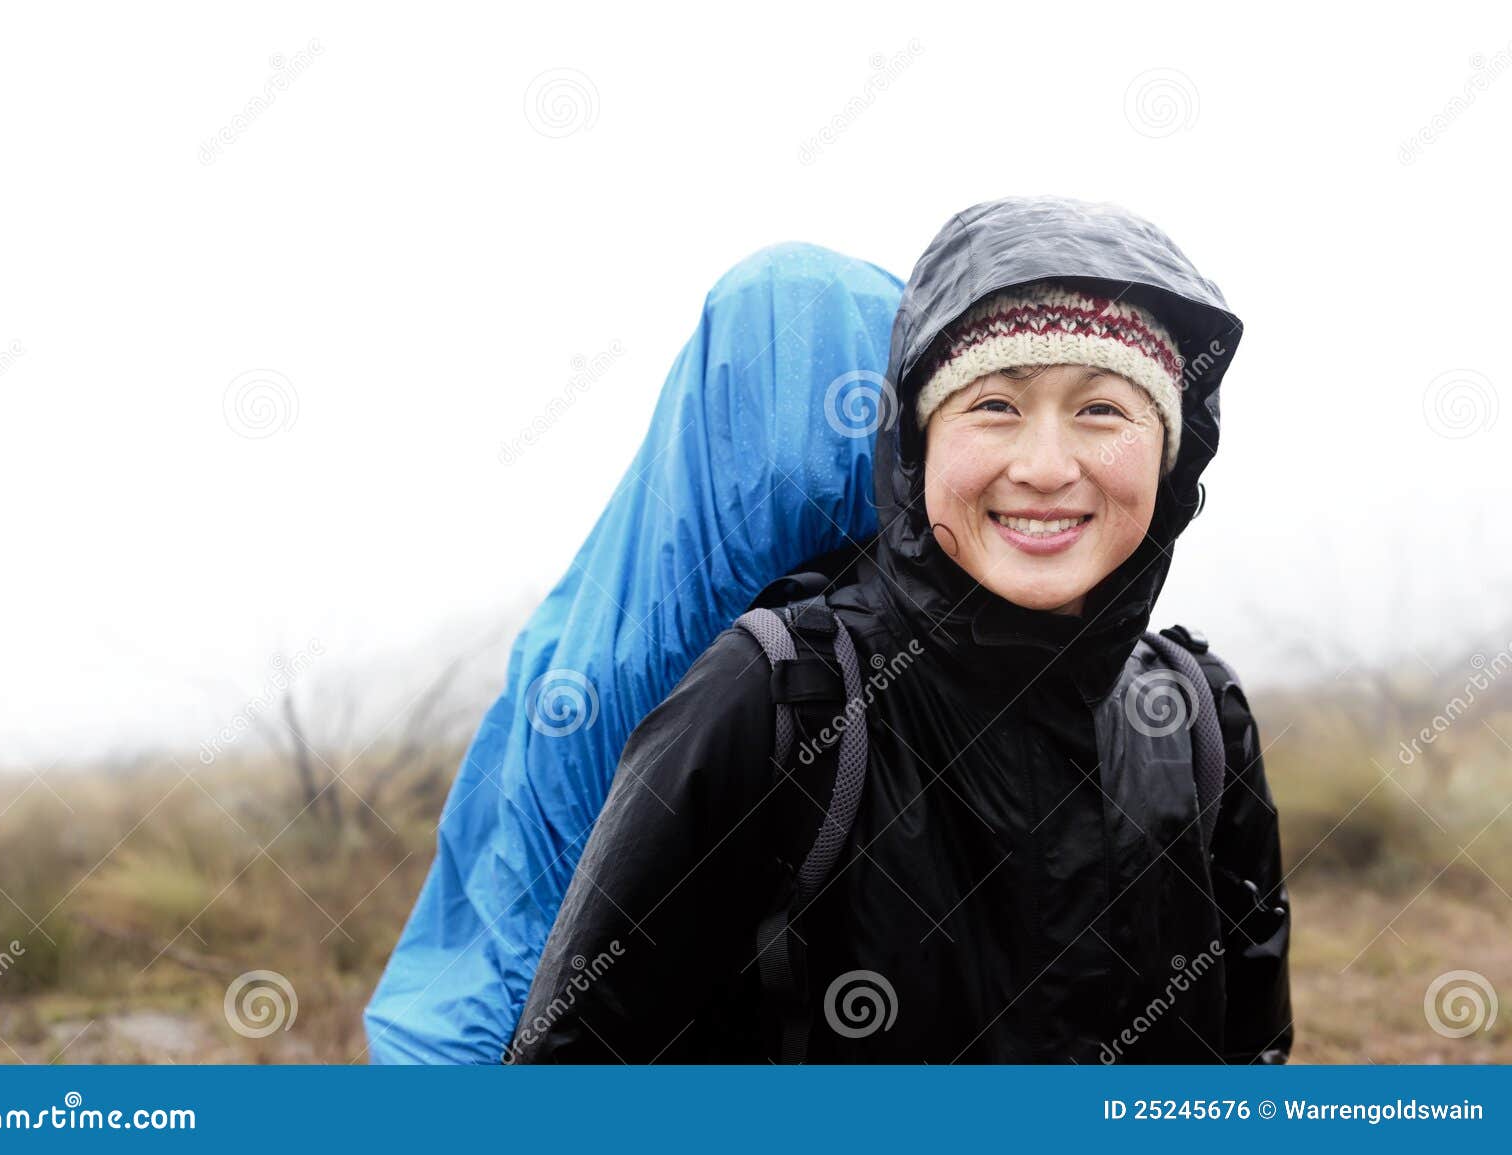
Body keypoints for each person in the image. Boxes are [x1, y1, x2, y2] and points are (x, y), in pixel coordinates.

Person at [506, 195, 1293, 1064]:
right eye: (994, 404)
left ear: (1171, 450)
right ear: (919, 443)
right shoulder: (777, 701)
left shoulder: (1196, 719)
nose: (1042, 466)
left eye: (1102, 410)